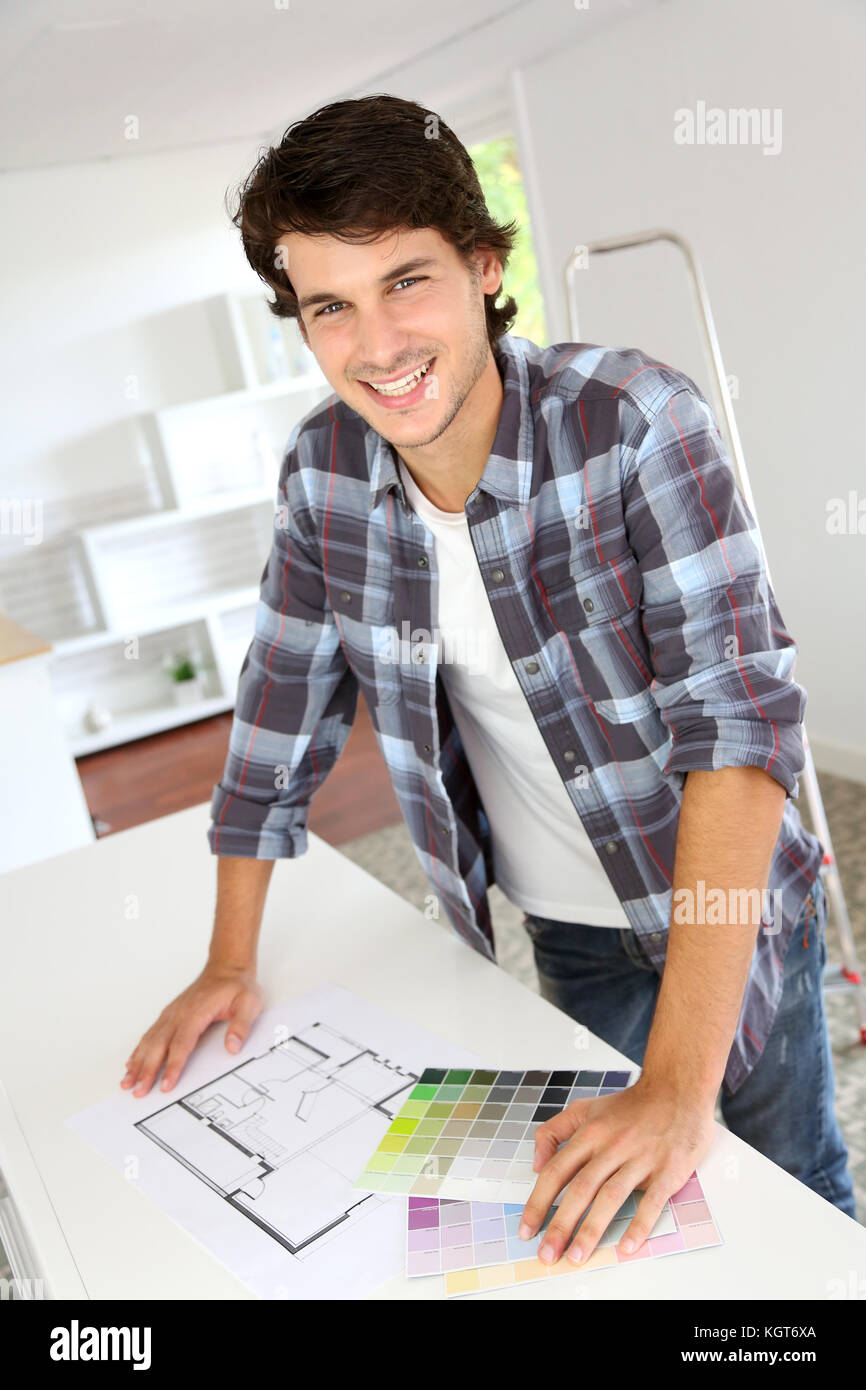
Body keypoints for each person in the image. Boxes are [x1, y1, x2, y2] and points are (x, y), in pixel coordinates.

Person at [122, 94, 857, 1264]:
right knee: (618, 1219)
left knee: (790, 1182)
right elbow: (274, 729)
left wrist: (676, 1086)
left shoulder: (633, 424)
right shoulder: (323, 473)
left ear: (481, 263)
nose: (375, 345)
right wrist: (226, 960)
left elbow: (737, 730)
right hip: (560, 923)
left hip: (723, 901)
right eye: (330, 306)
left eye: (405, 281)